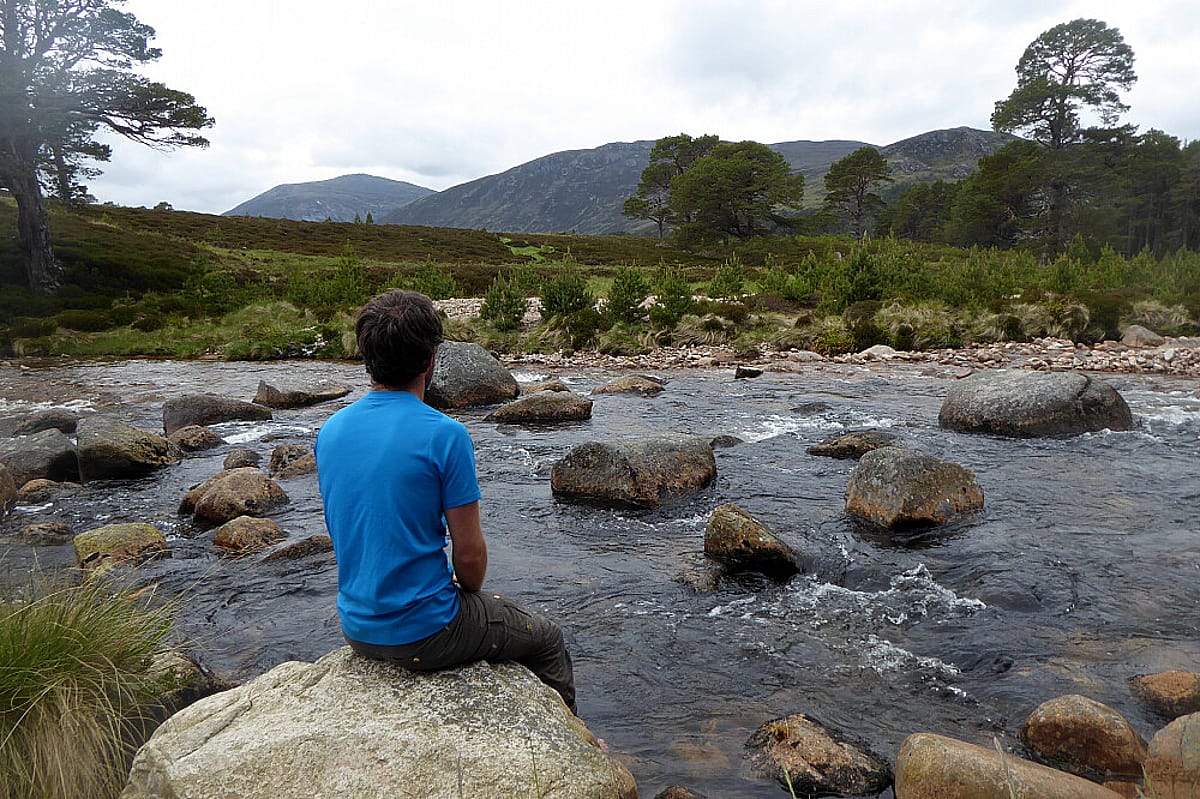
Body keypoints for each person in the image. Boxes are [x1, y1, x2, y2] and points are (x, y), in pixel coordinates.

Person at [315, 289, 576, 712]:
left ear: (366, 358)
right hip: (427, 633)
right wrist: (467, 592)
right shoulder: (445, 435)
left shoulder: (331, 431)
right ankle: (574, 742)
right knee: (546, 638)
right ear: (433, 358)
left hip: (357, 629)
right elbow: (470, 557)